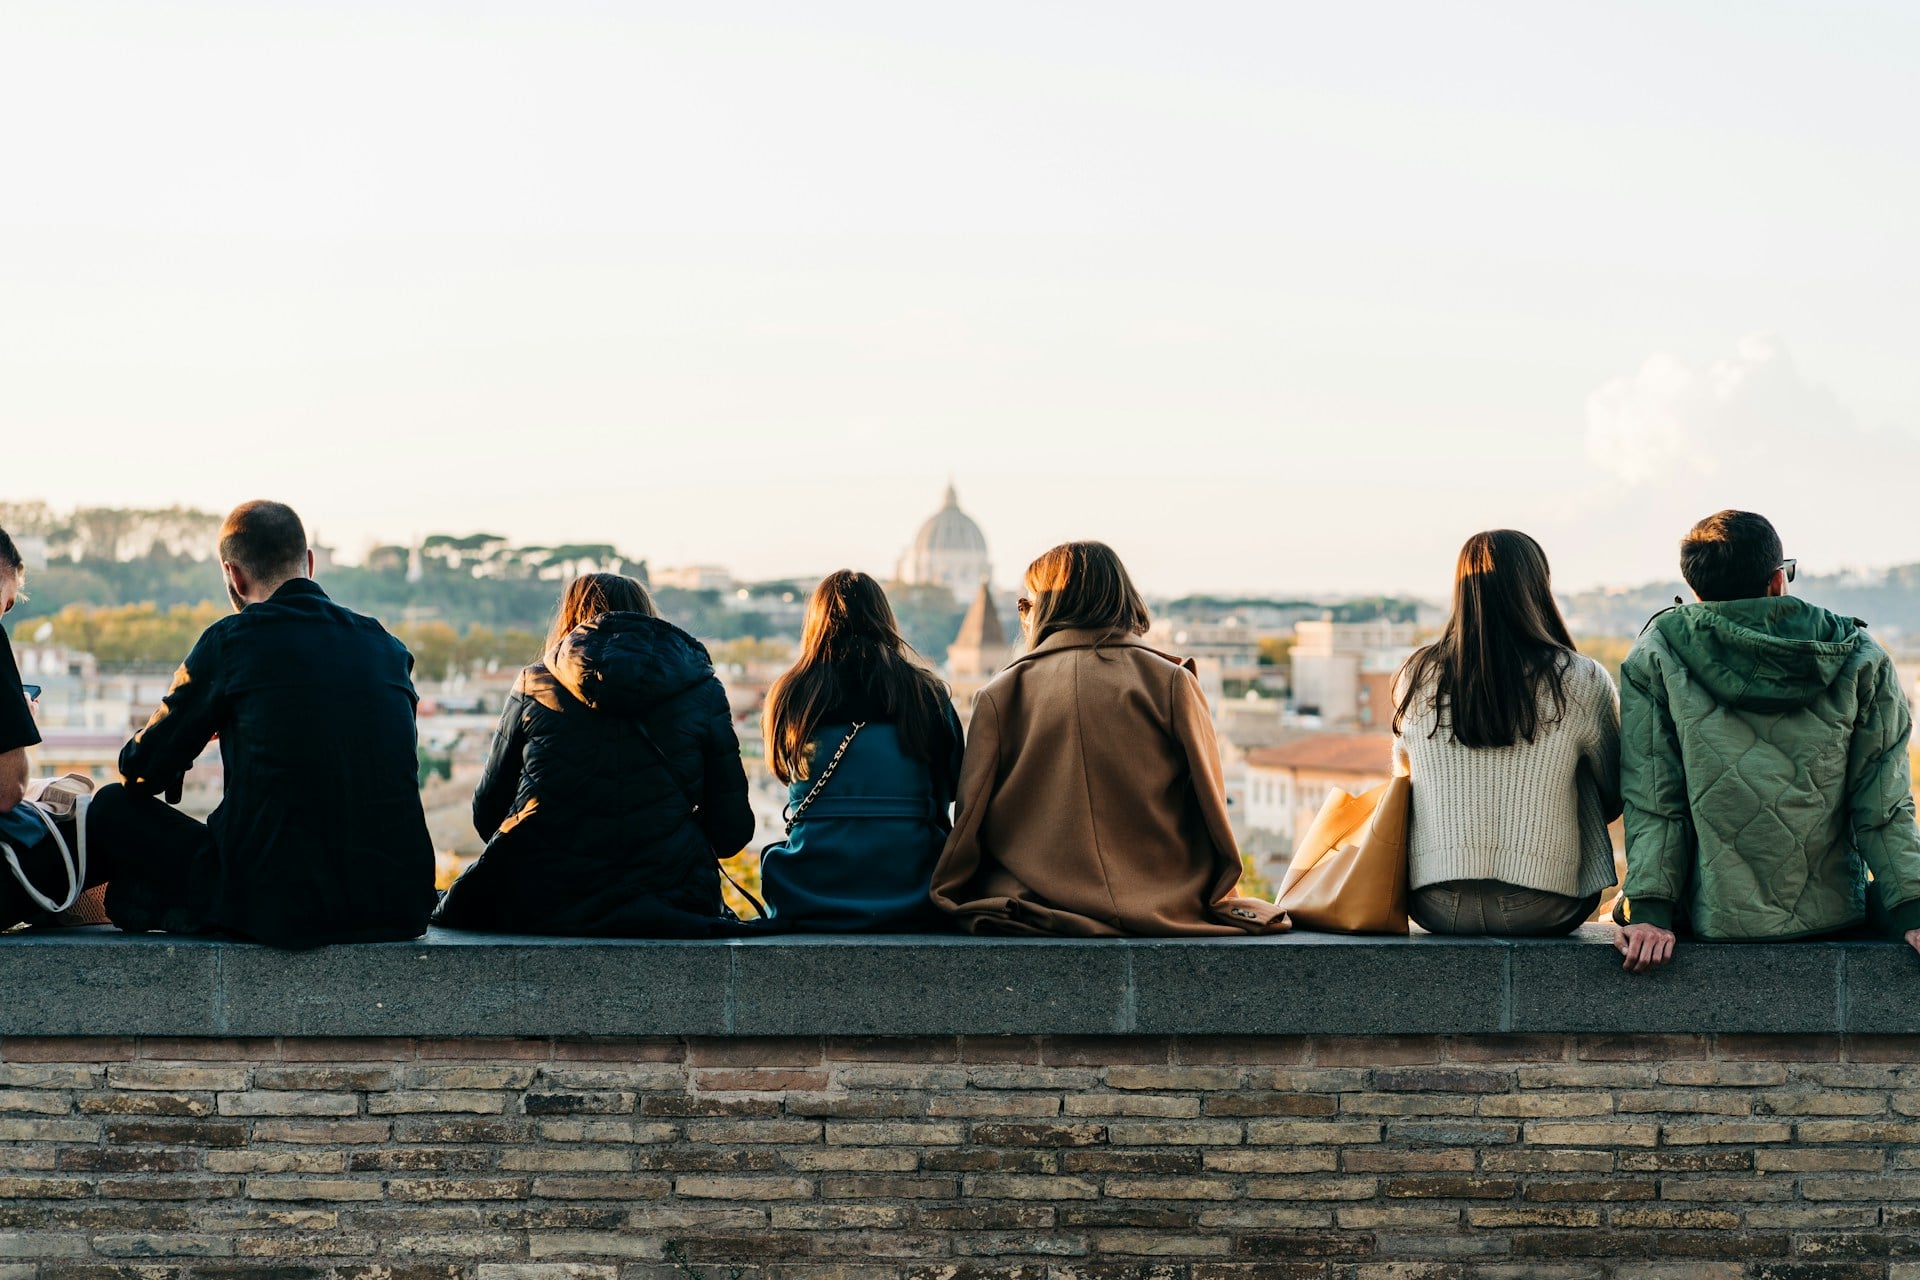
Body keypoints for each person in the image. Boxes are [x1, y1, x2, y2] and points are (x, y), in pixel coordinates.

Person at [86, 501, 437, 947]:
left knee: (110, 807)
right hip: (400, 903)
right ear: (308, 563)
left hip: (280, 905)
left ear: (233, 575)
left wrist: (192, 738)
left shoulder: (233, 641)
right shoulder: (388, 647)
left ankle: (170, 903)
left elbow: (138, 769)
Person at [1615, 510, 1920, 973]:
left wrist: (1650, 913)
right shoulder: (1861, 655)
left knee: (1617, 910)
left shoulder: (1657, 655)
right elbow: (1884, 803)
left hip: (1709, 913)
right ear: (1778, 581)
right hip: (1835, 912)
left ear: (1697, 593)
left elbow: (1654, 798)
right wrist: (1912, 913)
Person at [930, 541, 1283, 936]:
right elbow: (1212, 812)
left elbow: (970, 821)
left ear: (1047, 609)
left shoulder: (1001, 694)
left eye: (1025, 605)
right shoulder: (1170, 683)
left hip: (1034, 905)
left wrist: (953, 894)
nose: (1024, 616)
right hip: (1166, 901)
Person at [433, 573, 754, 936]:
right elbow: (732, 832)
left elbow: (488, 815)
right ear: (647, 615)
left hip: (538, 900)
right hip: (670, 901)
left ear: (569, 617)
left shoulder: (533, 685)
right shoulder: (703, 690)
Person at [1392, 530, 1621, 936]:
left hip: (1432, 904)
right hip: (1545, 903)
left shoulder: (1417, 673)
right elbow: (1614, 793)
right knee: (1577, 770)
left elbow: (1403, 782)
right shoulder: (1581, 677)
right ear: (1537, 588)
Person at [757, 570, 962, 931]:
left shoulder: (790, 693)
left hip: (812, 885)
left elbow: (781, 770)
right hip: (913, 882)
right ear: (884, 618)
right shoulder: (925, 693)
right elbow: (950, 785)